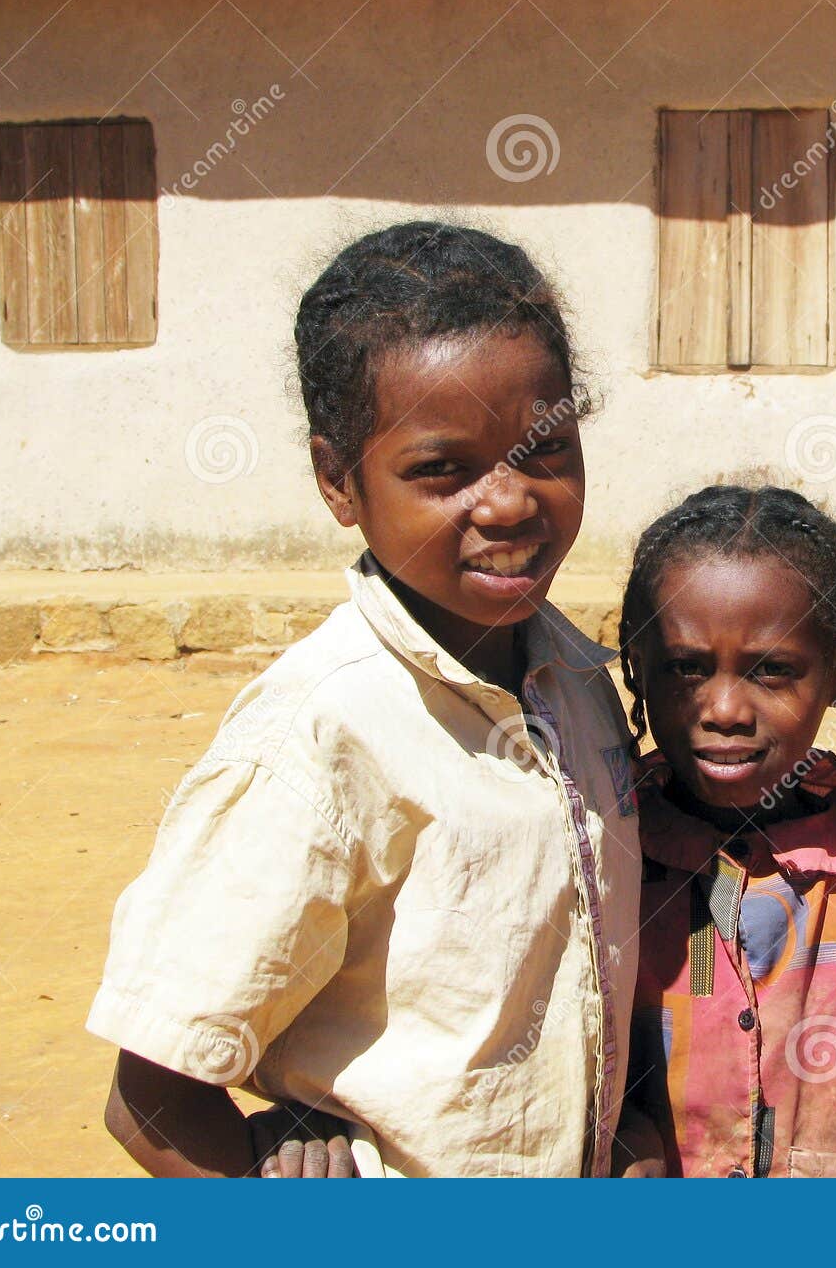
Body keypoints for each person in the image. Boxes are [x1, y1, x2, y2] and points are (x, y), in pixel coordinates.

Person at [88, 221, 640, 1177]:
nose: (508, 502)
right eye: (441, 470)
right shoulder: (317, 737)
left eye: (544, 448)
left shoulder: (580, 685)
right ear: (338, 481)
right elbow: (153, 1094)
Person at [610, 485, 836, 1178]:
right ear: (637, 664)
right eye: (686, 668)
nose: (727, 709)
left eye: (773, 670)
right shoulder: (596, 862)